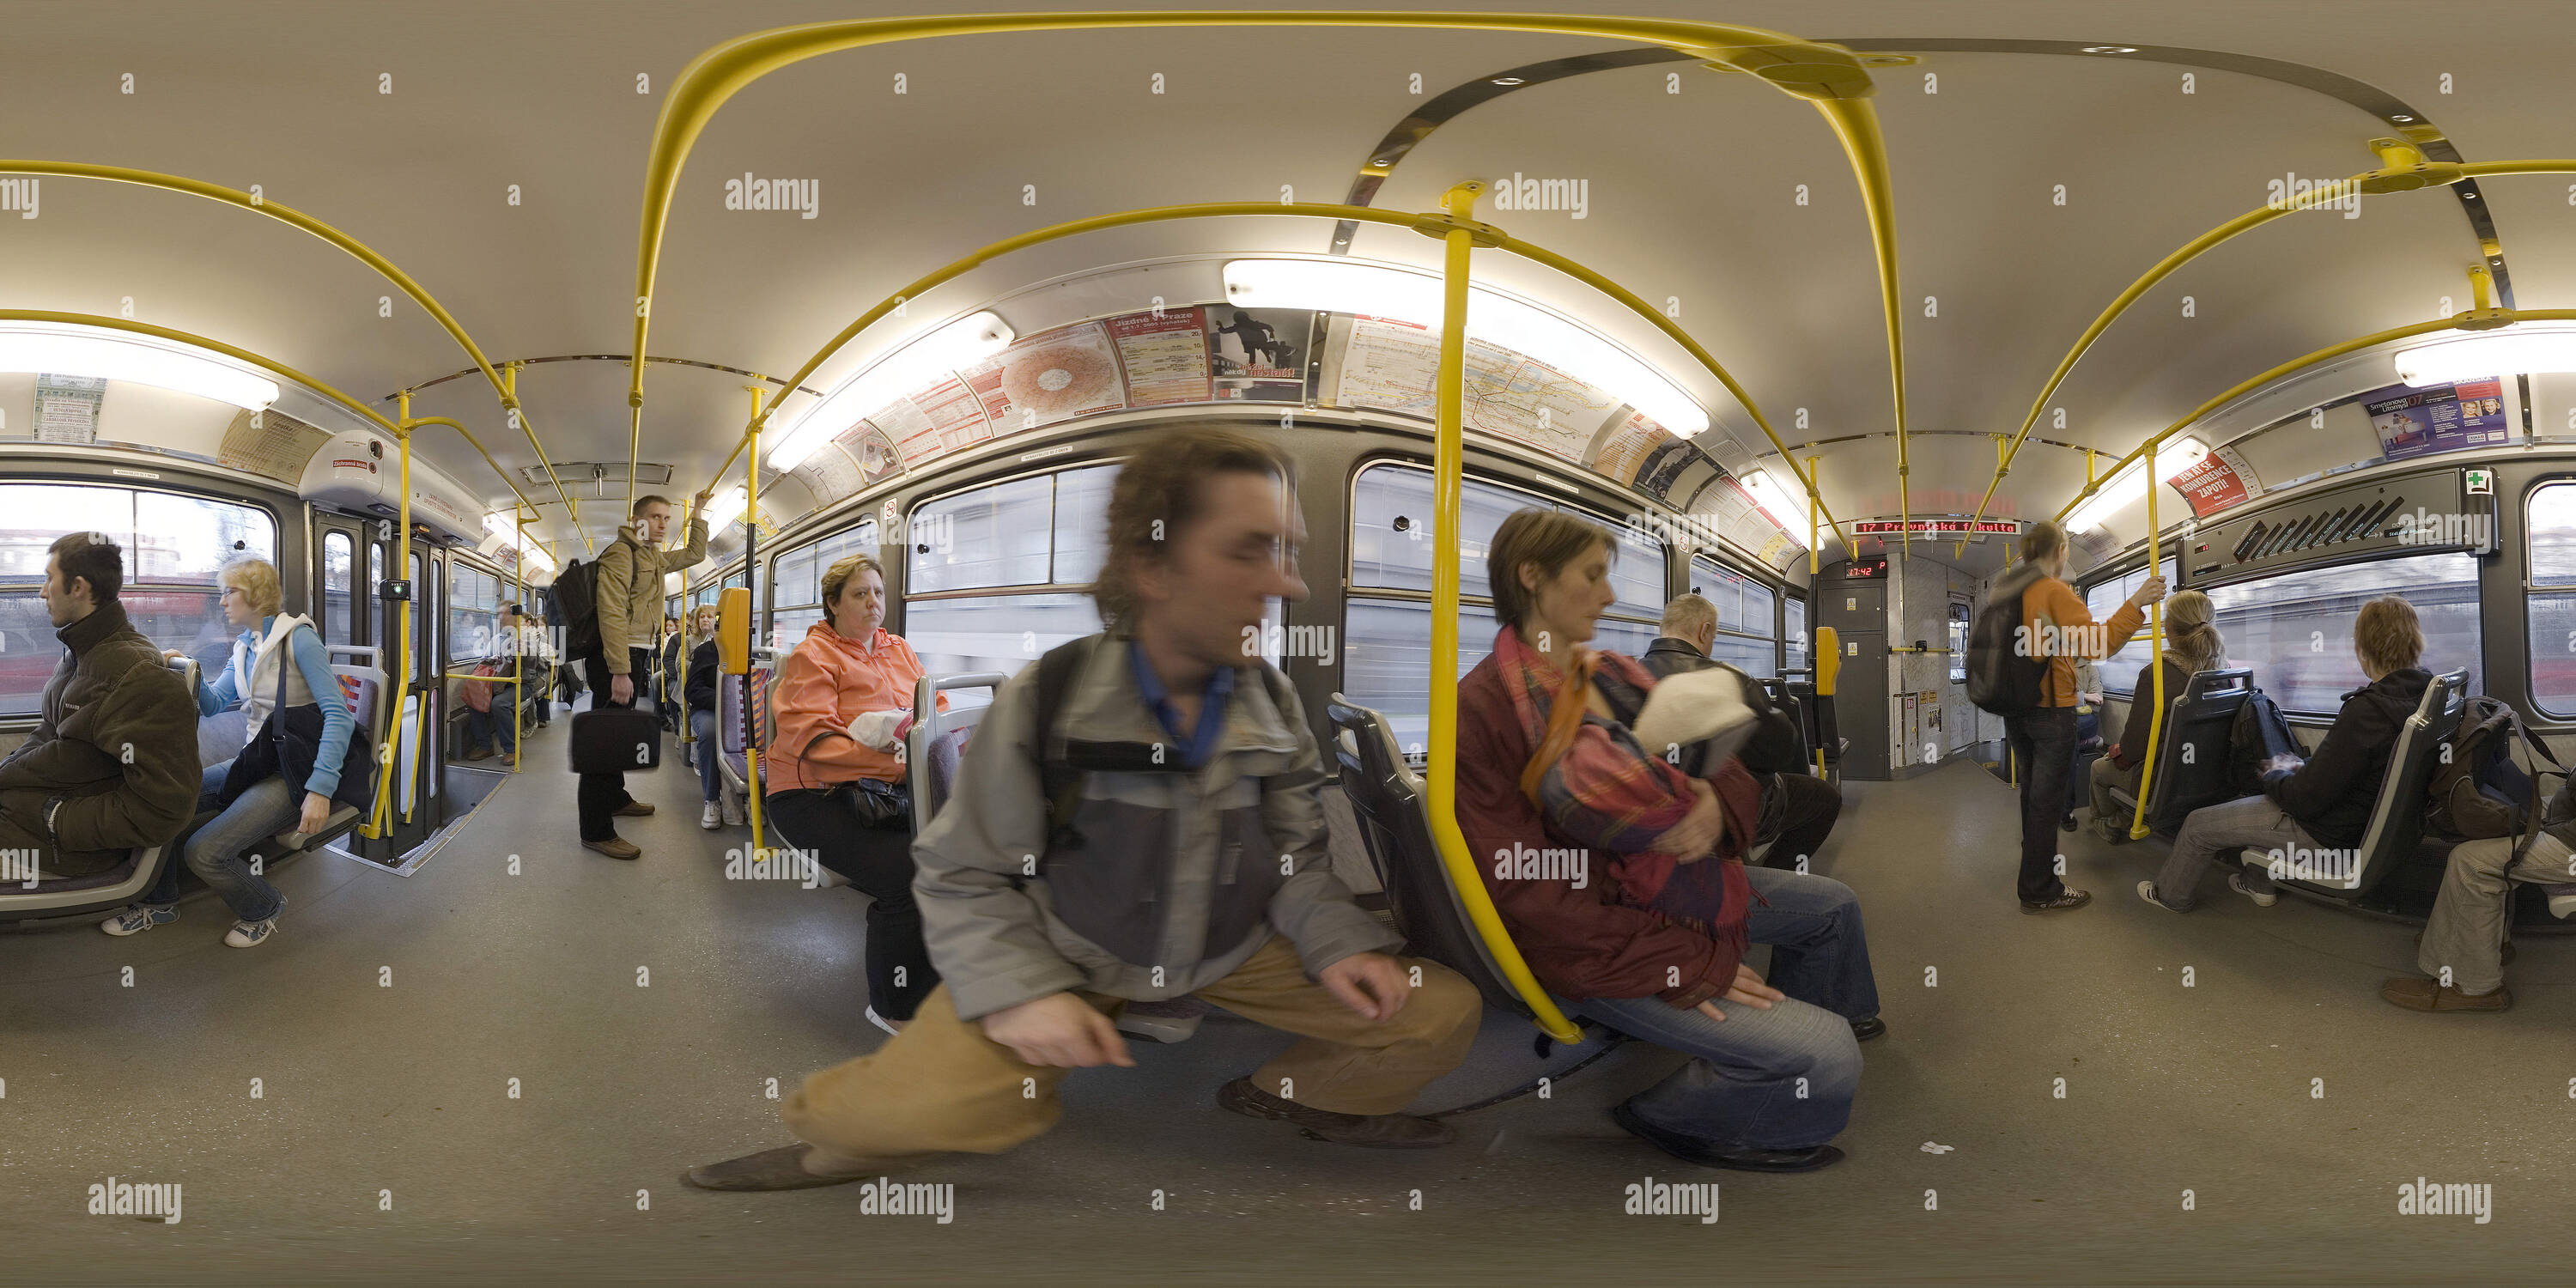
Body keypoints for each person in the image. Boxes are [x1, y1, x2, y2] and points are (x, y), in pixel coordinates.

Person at [686, 427, 1481, 1193]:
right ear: (1153, 565)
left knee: (1438, 1012)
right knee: (911, 1113)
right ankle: (840, 1144)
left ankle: (1291, 1090)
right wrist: (1020, 990)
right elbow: (963, 870)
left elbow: (1297, 861)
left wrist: (1338, 942)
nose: (1290, 584)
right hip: (1071, 943)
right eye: (1250, 551)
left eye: (1290, 553)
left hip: (1226, 941)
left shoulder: (1270, 702)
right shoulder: (1054, 695)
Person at [1460, 508, 1881, 1174]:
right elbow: (1528, 889)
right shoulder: (1487, 710)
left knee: (1833, 906)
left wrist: (1714, 804)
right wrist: (1690, 964)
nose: (1610, 596)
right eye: (1593, 576)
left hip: (1666, 883)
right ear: (1531, 576)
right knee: (1825, 1056)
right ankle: (1669, 1112)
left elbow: (1735, 769)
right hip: (1599, 933)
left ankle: (1767, 1041)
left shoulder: (1605, 677)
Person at [99, 556, 356, 947]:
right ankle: (161, 902)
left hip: (293, 771)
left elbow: (339, 716)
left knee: (203, 852)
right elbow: (216, 702)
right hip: (254, 759)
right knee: (161, 803)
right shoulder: (244, 648)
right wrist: (187, 669)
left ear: (256, 594)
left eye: (229, 591)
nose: (222, 601)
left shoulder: (299, 639)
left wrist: (320, 791)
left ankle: (264, 907)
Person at [2142, 596, 2430, 914]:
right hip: (2362, 821)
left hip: (2326, 830)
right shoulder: (2423, 695)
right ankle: (2257, 883)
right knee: (2254, 810)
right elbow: (2346, 769)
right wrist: (2301, 766)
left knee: (2197, 825)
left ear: (2362, 650)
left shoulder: (2367, 710)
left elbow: (2304, 800)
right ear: (2415, 642)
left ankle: (2170, 896)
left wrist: (2275, 773)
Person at [761, 553, 946, 1031]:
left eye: (878, 593)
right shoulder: (814, 656)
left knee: (962, 852)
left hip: (884, 787)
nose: (873, 603)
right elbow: (814, 742)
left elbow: (936, 706)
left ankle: (945, 978)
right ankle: (893, 1006)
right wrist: (898, 769)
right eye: (860, 594)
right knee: (906, 871)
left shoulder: (900, 650)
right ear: (833, 604)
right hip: (812, 794)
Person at [1987, 519, 2166, 912]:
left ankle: (2034, 864)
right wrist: (2135, 603)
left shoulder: (2005, 591)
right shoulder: (2052, 590)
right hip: (2050, 712)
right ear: (2062, 551)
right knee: (2047, 803)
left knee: (2034, 795)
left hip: (2015, 710)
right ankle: (2039, 890)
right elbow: (2098, 644)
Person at [0, 533, 197, 881]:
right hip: (36, 810)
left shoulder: (135, 674)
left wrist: (55, 818)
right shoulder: (80, 654)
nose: (43, 592)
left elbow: (163, 809)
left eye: (49, 578)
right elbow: (50, 729)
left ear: (78, 587)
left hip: (69, 846)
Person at [1641, 593, 1843, 873]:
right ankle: (1775, 879)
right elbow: (1781, 750)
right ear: (1704, 631)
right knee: (1825, 798)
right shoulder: (1731, 680)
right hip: (1719, 805)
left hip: (1651, 810)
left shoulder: (1627, 677)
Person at [577, 490, 712, 860]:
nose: (663, 524)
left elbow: (695, 555)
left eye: (667, 518)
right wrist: (621, 671)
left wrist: (698, 511)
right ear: (636, 520)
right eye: (655, 517)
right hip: (614, 659)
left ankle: (616, 798)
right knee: (604, 745)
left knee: (617, 735)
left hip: (633, 654)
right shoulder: (622, 555)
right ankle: (596, 830)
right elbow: (611, 614)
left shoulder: (650, 555)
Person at [2087, 590, 2222, 842]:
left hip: (2163, 782)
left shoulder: (2157, 675)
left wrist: (2118, 750)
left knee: (2098, 767)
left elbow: (2134, 748)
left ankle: (2111, 822)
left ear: (2169, 627)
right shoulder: (2224, 674)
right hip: (2211, 775)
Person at [681, 605, 743, 829]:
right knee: (709, 731)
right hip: (709, 708)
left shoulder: (746, 652)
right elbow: (692, 690)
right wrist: (723, 700)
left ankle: (747, 797)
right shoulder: (705, 652)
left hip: (740, 708)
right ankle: (712, 800)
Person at [459, 659, 516, 762]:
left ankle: (512, 749)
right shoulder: (499, 642)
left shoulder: (529, 643)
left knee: (499, 704)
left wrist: (523, 652)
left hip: (519, 683)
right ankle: (485, 746)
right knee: (475, 698)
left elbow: (533, 663)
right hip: (499, 678)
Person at [656, 614, 685, 733]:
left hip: (692, 675)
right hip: (675, 673)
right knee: (670, 689)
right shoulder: (676, 639)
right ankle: (670, 723)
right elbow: (667, 659)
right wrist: (677, 675)